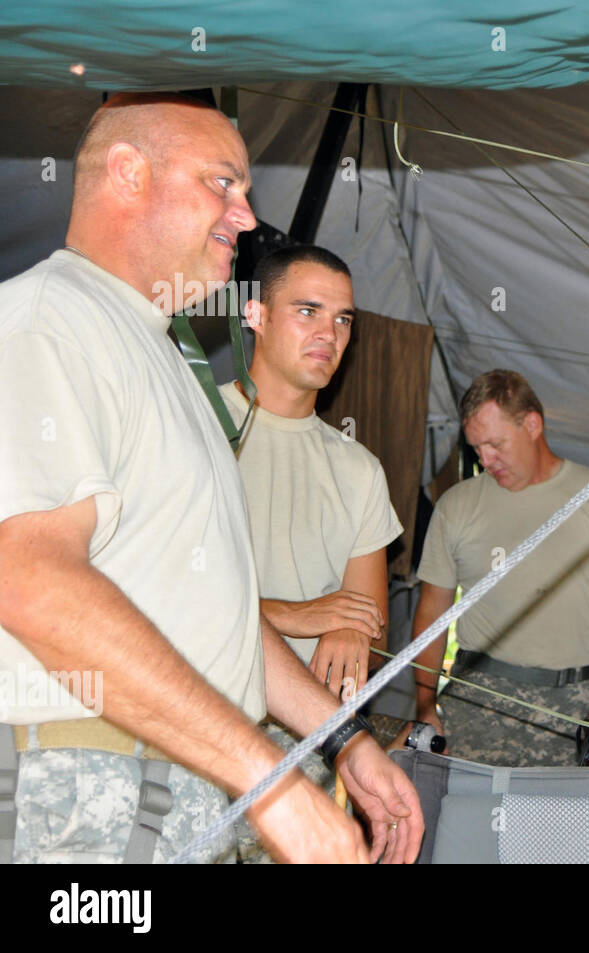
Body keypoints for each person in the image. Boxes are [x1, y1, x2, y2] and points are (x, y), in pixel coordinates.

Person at [0, 93, 422, 864]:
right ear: (128, 173)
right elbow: (27, 578)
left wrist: (343, 737)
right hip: (79, 795)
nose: (245, 217)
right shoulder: (45, 322)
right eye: (222, 184)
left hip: (174, 794)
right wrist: (270, 779)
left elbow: (220, 618)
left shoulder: (166, 365)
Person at [219, 243, 404, 861]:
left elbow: (364, 619)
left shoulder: (358, 469)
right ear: (256, 315)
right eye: (308, 310)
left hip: (311, 747)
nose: (330, 333)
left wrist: (351, 629)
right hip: (198, 732)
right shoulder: (198, 421)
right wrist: (301, 614)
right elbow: (163, 599)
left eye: (344, 319)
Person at [407, 369, 589, 766]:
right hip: (476, 704)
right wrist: (425, 703)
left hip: (577, 707)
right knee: (470, 824)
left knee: (570, 826)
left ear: (531, 424)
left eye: (495, 444)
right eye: (476, 449)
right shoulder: (456, 506)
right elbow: (432, 611)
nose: (485, 460)